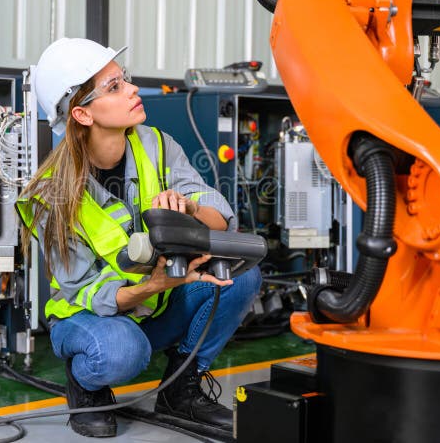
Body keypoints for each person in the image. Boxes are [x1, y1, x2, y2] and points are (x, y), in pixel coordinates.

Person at [17, 38, 262, 438]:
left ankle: (181, 389)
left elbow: (220, 219)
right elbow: (86, 293)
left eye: (124, 79)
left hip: (154, 305)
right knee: (122, 352)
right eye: (114, 87)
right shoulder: (51, 194)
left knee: (241, 277)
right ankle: (87, 386)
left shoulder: (158, 145)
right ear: (82, 113)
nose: (132, 89)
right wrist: (155, 284)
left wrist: (190, 208)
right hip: (93, 319)